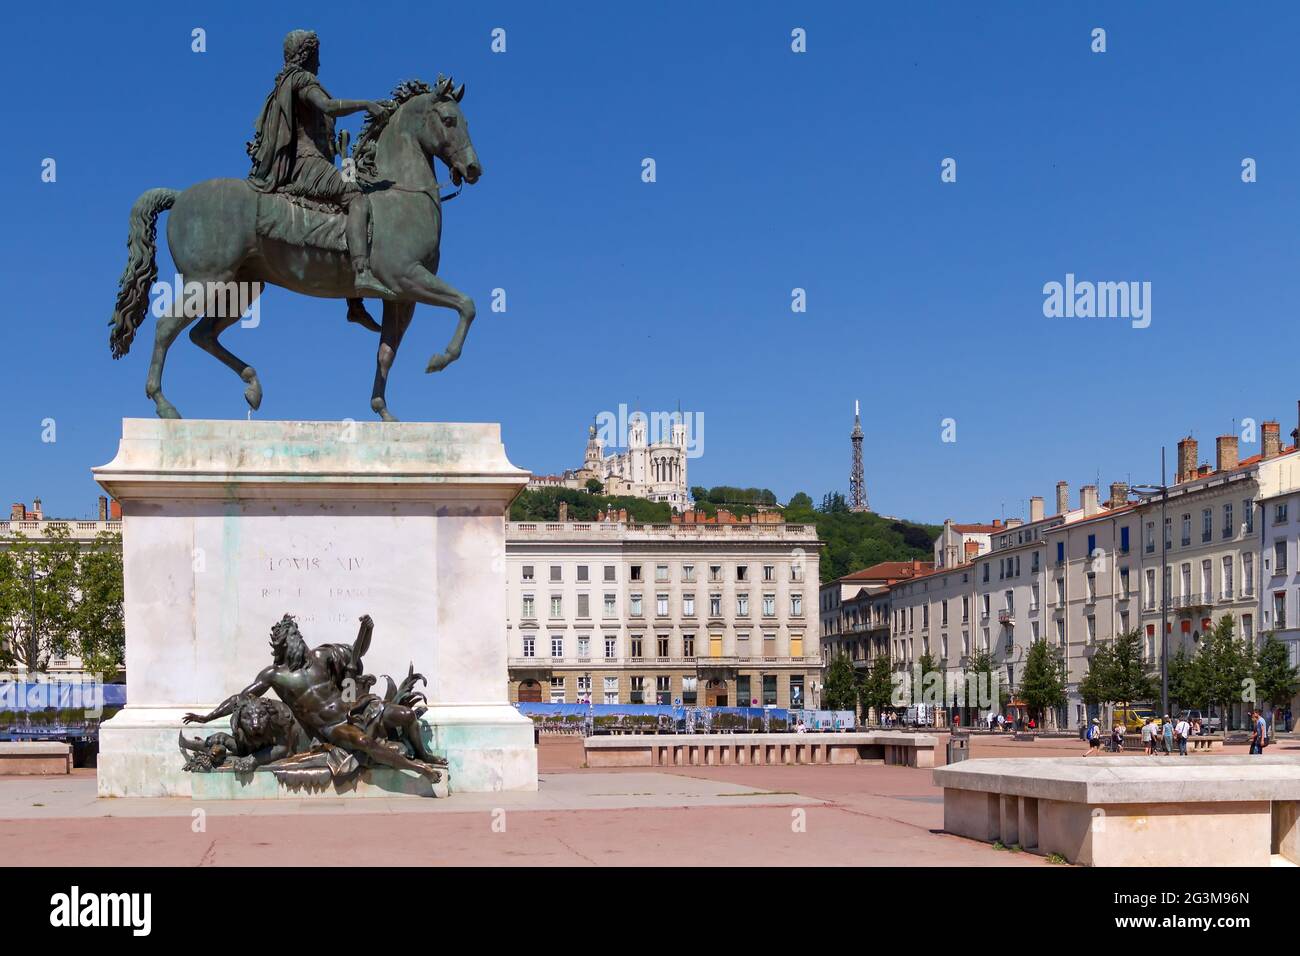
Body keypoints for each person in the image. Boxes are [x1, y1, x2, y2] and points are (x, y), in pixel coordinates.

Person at [246, 29, 396, 302]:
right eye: (316, 56)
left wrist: (343, 154)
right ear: (306, 55)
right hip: (306, 164)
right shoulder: (302, 80)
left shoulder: (283, 84)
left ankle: (354, 303)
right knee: (357, 199)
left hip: (306, 163)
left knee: (345, 206)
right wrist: (366, 104)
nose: (319, 63)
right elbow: (327, 106)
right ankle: (362, 272)